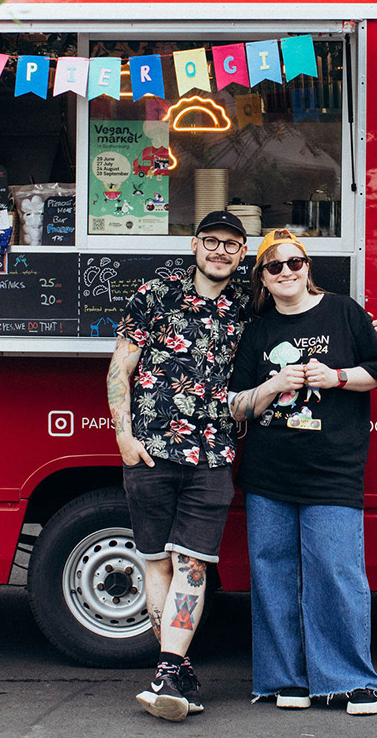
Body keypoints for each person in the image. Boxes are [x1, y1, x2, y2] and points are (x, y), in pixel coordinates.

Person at [229, 228, 377, 716]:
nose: (286, 272)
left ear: (307, 268)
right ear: (262, 278)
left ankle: (351, 681)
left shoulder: (344, 312)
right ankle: (284, 680)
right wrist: (273, 384)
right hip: (268, 473)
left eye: (294, 263)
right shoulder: (257, 331)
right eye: (274, 266)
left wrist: (336, 376)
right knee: (272, 575)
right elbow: (236, 405)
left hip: (333, 469)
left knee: (337, 573)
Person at [107, 209, 251, 723]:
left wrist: (365, 326)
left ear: (242, 253)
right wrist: (123, 436)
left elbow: (307, 310)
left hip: (212, 455)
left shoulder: (249, 303)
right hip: (150, 451)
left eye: (230, 244)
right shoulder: (155, 294)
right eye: (211, 241)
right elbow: (121, 365)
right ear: (194, 245)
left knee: (193, 563)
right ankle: (177, 671)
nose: (219, 251)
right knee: (157, 562)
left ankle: (168, 670)